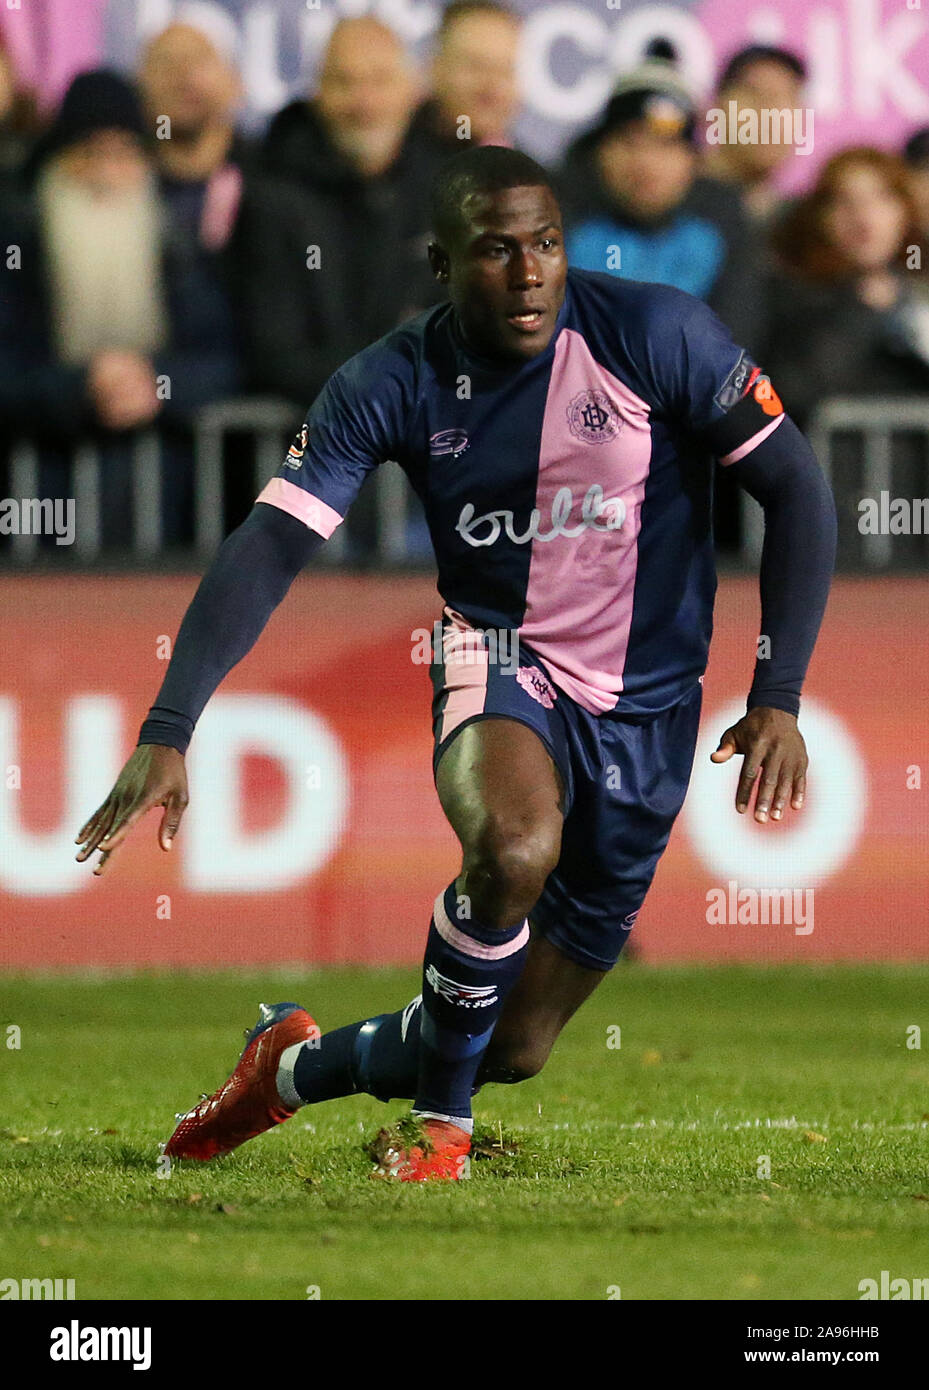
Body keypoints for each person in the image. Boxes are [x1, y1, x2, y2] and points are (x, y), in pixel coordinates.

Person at [75, 147, 836, 1183]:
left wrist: (778, 693)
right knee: (514, 848)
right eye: (494, 249)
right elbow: (268, 542)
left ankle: (286, 1069)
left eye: (546, 244)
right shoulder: (391, 380)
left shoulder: (658, 335)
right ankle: (440, 1134)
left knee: (510, 1046)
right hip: (500, 656)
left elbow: (796, 490)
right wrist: (171, 725)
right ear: (440, 262)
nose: (527, 272)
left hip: (651, 708)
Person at [560, 48, 765, 354]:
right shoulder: (555, 221)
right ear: (600, 152)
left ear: (694, 161)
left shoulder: (722, 229)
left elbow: (733, 359)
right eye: (631, 142)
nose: (646, 163)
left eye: (666, 145)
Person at [765, 147, 929, 432]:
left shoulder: (917, 292)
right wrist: (864, 311)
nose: (863, 216)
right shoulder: (791, 292)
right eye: (845, 201)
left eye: (882, 198)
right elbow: (795, 389)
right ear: (821, 217)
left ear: (905, 211)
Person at [701, 44, 807, 226]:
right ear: (716, 108)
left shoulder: (800, 225)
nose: (770, 113)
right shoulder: (671, 206)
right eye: (755, 95)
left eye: (786, 98)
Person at [406, 0, 522, 159]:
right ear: (436, 68)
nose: (492, 88)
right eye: (476, 67)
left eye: (504, 71)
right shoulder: (386, 162)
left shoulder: (532, 176)